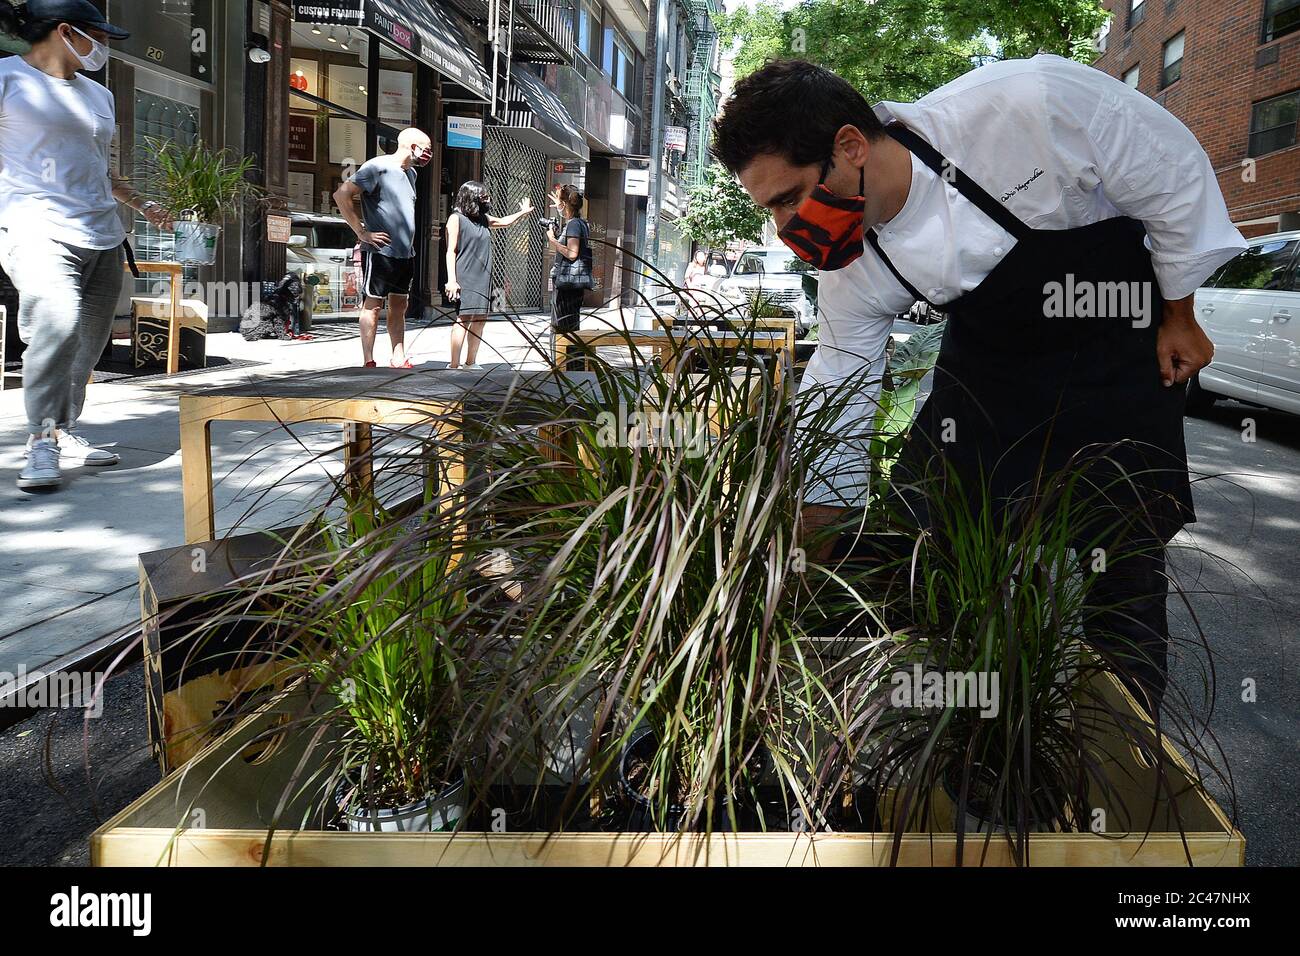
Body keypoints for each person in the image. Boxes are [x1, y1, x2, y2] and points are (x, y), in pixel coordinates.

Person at [711, 57, 1247, 711]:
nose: (785, 228)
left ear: (849, 146)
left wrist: (1179, 314)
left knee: (1123, 559)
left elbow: (1173, 174)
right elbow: (841, 377)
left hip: (1115, 344)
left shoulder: (1028, 105)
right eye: (771, 210)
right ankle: (968, 726)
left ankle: (1126, 764)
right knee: (920, 532)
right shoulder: (854, 260)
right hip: (990, 370)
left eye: (789, 199)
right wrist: (814, 532)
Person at [0, 0, 172, 491]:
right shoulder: (7, 80)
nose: (103, 49)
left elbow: (99, 166)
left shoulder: (99, 95)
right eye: (99, 37)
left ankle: (64, 427)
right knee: (57, 322)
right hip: (34, 226)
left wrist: (140, 204)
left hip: (102, 231)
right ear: (65, 31)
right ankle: (41, 439)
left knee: (87, 342)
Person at [333, 127, 432, 369]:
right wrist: (361, 232)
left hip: (404, 253)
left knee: (400, 305)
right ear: (412, 146)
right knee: (373, 305)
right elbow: (341, 195)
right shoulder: (377, 167)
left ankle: (398, 356)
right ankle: (368, 358)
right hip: (380, 253)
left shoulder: (411, 175)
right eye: (426, 148)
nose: (428, 153)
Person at [443, 180, 533, 370]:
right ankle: (453, 364)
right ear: (471, 197)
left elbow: (503, 221)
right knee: (463, 318)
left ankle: (470, 362)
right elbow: (451, 251)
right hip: (465, 275)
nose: (487, 199)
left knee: (480, 318)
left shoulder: (483, 219)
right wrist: (452, 280)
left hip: (484, 276)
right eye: (483, 197)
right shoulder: (456, 219)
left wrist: (523, 213)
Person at [545, 184, 591, 369]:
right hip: (572, 284)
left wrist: (553, 240)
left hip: (567, 284)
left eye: (560, 201)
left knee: (563, 325)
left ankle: (566, 365)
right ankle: (570, 364)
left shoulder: (573, 224)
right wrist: (560, 207)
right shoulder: (579, 223)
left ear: (566, 203)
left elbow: (572, 253)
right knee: (569, 323)